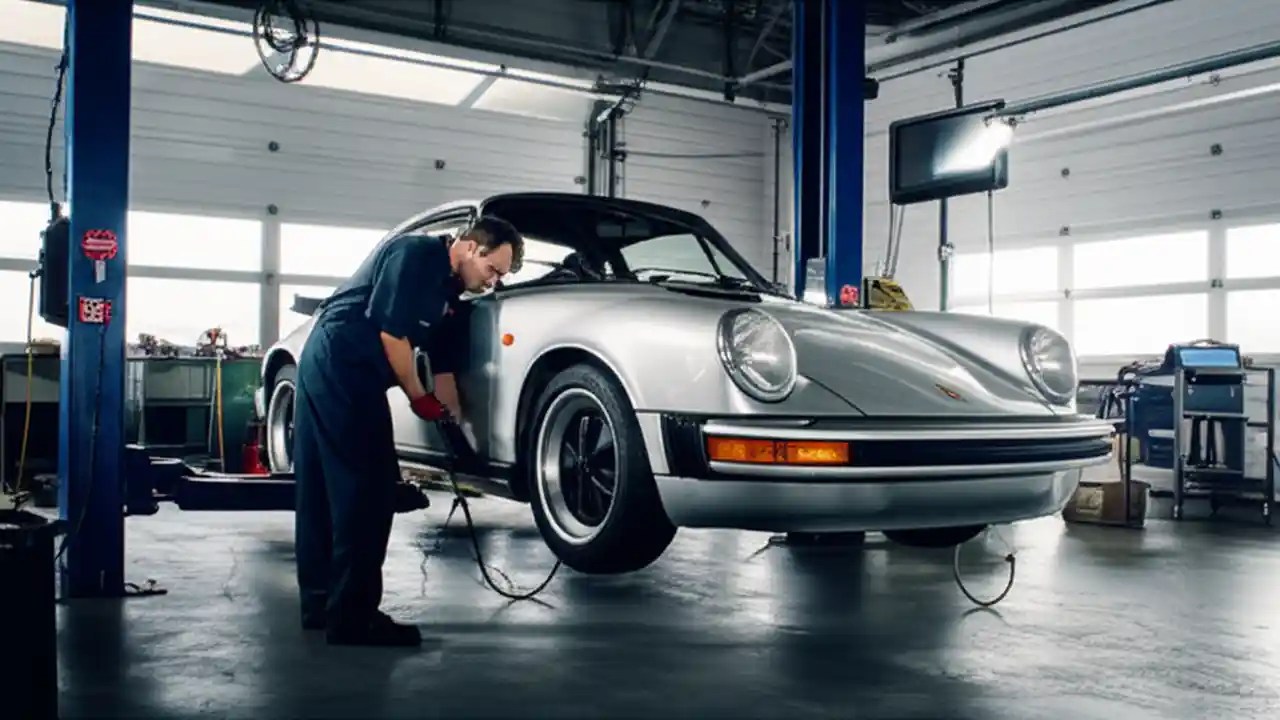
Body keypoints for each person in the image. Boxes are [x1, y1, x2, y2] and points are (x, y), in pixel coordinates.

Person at [291, 215, 524, 646]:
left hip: (334, 367)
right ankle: (353, 618)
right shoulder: (416, 255)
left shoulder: (452, 297)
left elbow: (446, 371)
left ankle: (323, 605)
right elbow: (391, 334)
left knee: (324, 490)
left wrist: (457, 433)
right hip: (341, 363)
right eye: (493, 271)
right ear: (471, 247)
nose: (492, 284)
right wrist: (419, 397)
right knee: (368, 492)